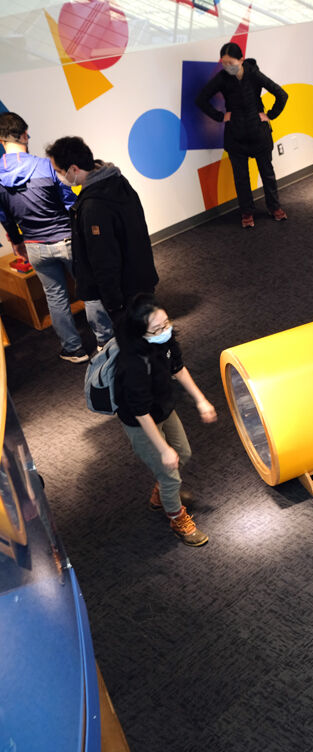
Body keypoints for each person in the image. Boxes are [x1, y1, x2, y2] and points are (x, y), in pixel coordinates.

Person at [0, 113, 112, 360]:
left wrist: (17, 241)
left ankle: (73, 349)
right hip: (67, 239)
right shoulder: (44, 166)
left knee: (55, 296)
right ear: (23, 135)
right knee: (88, 288)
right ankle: (106, 340)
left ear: (1, 140)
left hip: (34, 246)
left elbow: (4, 215)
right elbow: (70, 200)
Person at [115, 294, 217, 547]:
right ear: (141, 333)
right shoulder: (133, 364)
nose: (165, 331)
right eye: (157, 329)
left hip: (163, 407)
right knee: (171, 472)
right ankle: (177, 518)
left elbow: (178, 369)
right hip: (141, 421)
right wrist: (162, 448)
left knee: (183, 453)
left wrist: (201, 400)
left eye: (166, 323)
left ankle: (161, 494)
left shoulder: (167, 340)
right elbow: (140, 412)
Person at [45, 136, 158, 328]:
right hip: (141, 276)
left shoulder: (93, 206)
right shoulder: (117, 179)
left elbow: (104, 258)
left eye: (59, 171)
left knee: (135, 338)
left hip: (125, 290)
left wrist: (113, 302)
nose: (58, 177)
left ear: (73, 169)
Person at [195, 42, 289, 229]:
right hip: (235, 136)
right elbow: (201, 99)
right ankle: (246, 212)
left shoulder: (253, 73)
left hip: (259, 134)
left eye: (231, 63)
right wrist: (221, 116)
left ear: (241, 60)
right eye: (224, 63)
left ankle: (274, 207)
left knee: (267, 174)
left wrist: (270, 115)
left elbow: (281, 94)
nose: (227, 66)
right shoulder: (222, 78)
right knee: (241, 177)